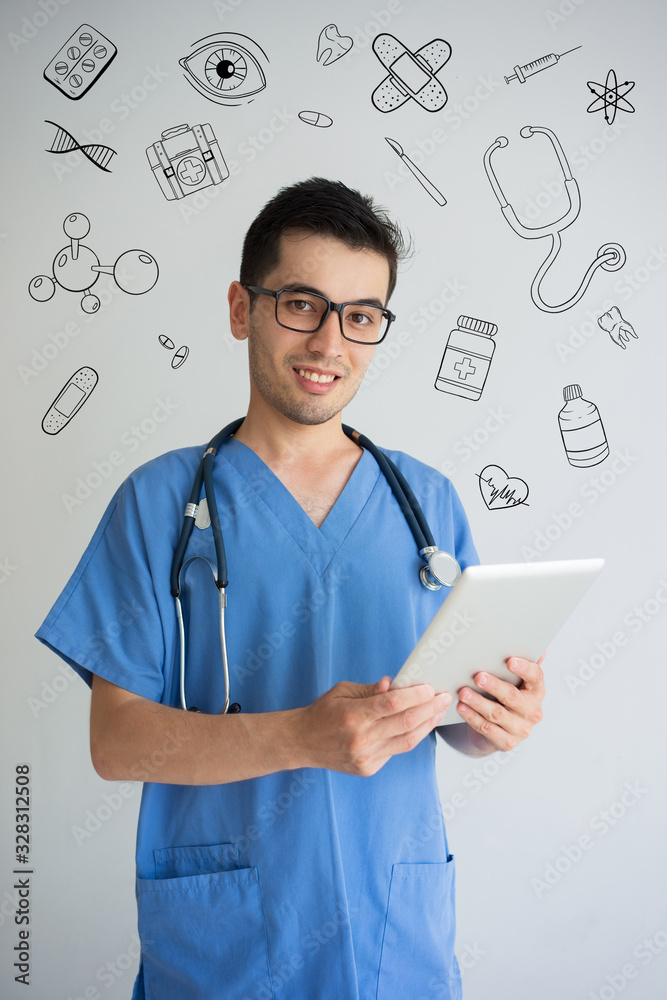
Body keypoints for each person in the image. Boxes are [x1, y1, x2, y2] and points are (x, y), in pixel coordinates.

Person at [36, 177, 545, 1000]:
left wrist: (494, 721)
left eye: (360, 315)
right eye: (300, 304)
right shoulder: (159, 503)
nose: (329, 344)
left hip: (396, 939)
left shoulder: (429, 503)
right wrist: (300, 738)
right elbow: (116, 742)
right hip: (231, 946)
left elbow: (458, 721)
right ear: (242, 308)